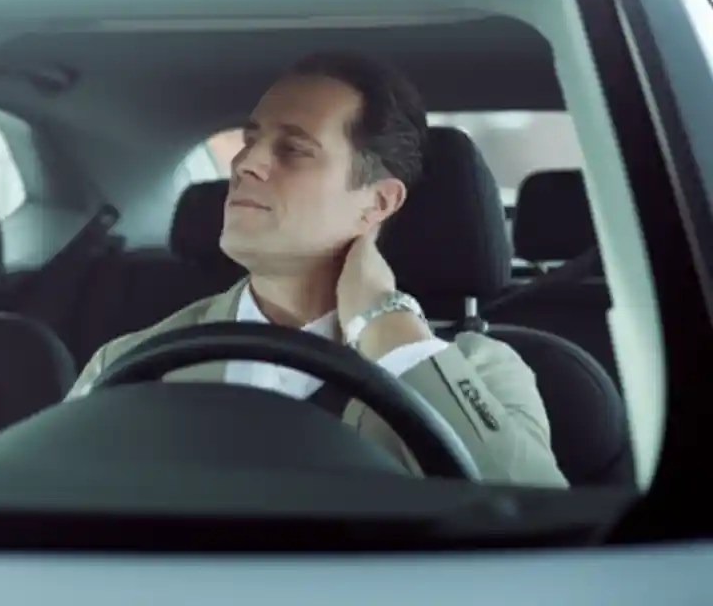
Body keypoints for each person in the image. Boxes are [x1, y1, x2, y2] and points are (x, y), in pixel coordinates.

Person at [66, 51, 567, 487]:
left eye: (295, 149)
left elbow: (538, 526)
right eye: (251, 138)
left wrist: (390, 328)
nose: (246, 163)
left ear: (377, 202)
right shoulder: (133, 364)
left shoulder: (479, 369)